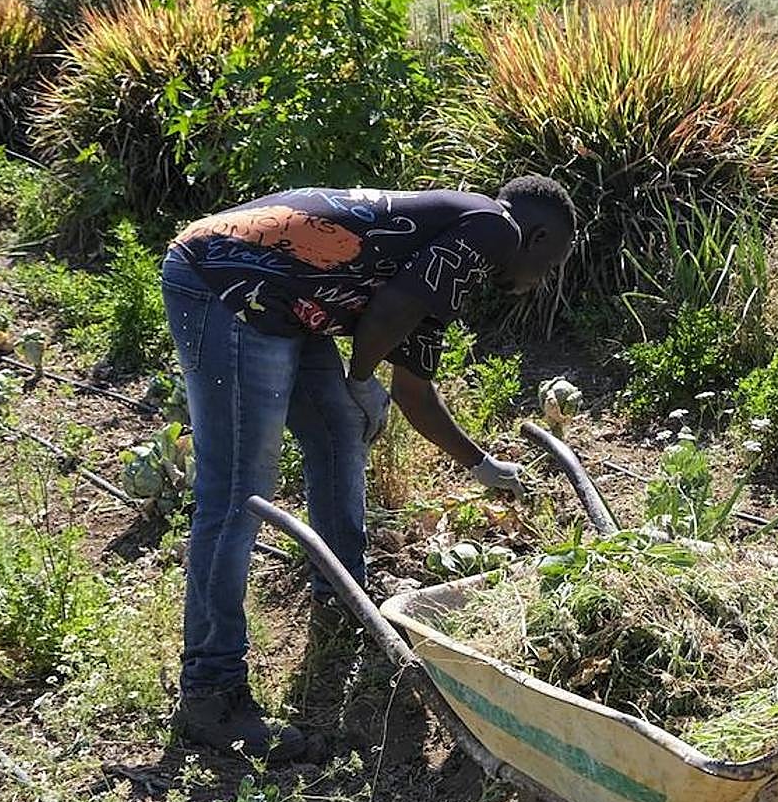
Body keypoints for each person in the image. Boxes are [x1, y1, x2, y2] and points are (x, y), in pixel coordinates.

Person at [160, 179, 575, 762]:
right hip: (227, 285)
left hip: (281, 298)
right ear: (534, 238)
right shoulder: (491, 228)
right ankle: (211, 694)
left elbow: (412, 389)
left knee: (337, 431)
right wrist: (359, 378)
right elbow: (392, 310)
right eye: (548, 264)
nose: (542, 280)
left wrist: (481, 466)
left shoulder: (446, 252)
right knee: (237, 493)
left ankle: (343, 598)